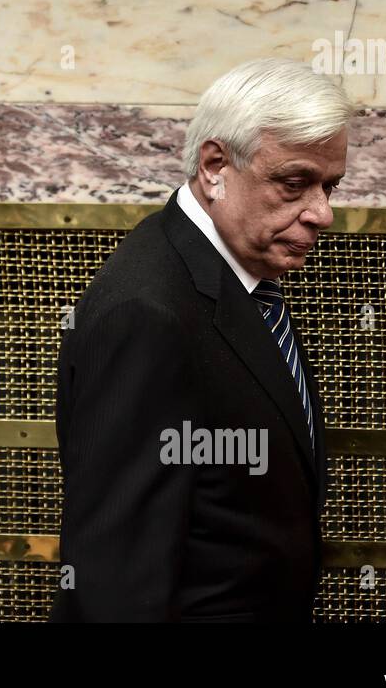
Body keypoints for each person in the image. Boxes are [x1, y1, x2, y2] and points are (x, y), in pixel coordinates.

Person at [51, 57, 354, 622]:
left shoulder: (233, 277)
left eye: (329, 186)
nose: (323, 214)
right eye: (295, 184)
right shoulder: (147, 314)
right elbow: (116, 576)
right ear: (215, 166)